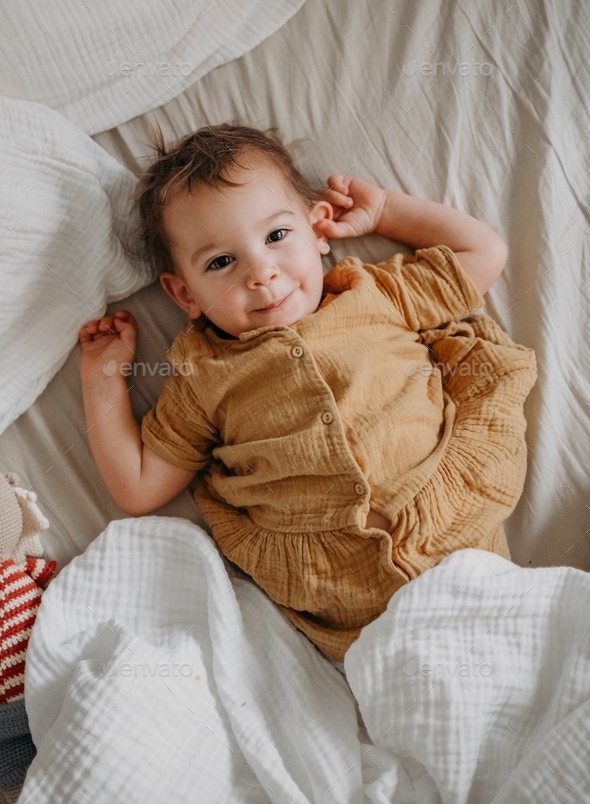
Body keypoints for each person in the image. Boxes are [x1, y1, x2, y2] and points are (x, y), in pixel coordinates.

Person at [78, 124, 537, 662]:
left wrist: (385, 210)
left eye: (276, 237)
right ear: (185, 294)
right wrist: (102, 380)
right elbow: (137, 488)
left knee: (529, 654)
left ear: (319, 230)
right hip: (346, 598)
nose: (261, 272)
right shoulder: (203, 377)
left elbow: (483, 250)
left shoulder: (374, 295)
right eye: (220, 262)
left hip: (459, 530)